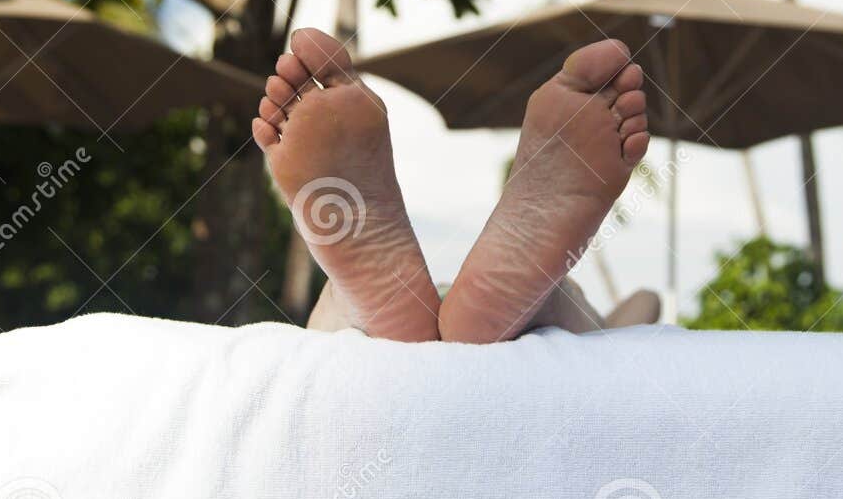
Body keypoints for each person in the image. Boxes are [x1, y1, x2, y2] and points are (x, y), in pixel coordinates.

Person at [251, 27, 656, 343]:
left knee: (338, 308)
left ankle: (353, 307)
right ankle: (544, 302)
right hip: (525, 308)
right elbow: (645, 306)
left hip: (416, 304)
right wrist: (633, 315)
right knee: (627, 305)